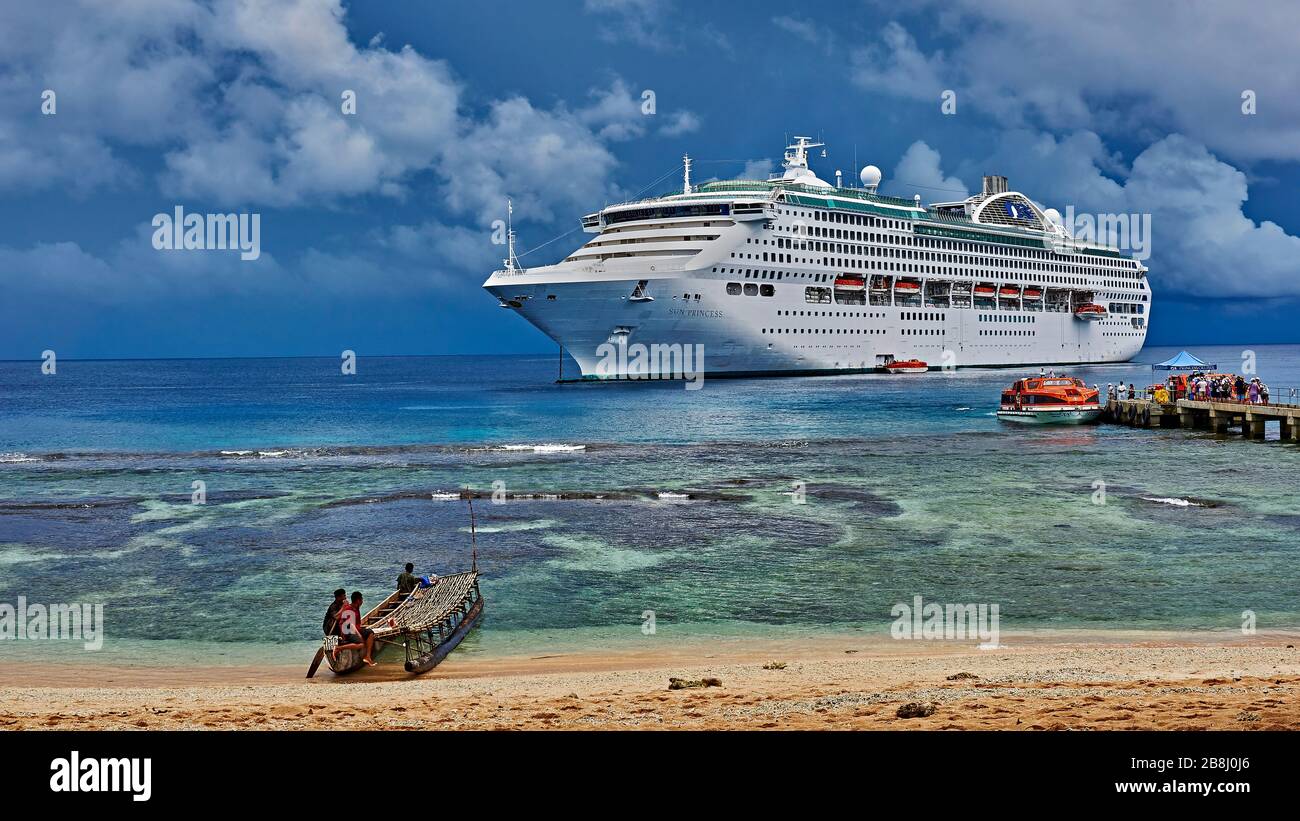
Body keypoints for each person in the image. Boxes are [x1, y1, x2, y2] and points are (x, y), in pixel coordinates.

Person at [333, 591, 376, 666]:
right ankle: (338, 648)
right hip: (347, 631)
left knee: (370, 632)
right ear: (358, 601)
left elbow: (356, 624)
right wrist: (359, 635)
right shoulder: (349, 609)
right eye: (361, 600)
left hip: (353, 630)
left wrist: (362, 630)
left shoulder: (356, 608)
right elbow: (351, 625)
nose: (362, 601)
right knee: (361, 644)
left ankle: (367, 657)